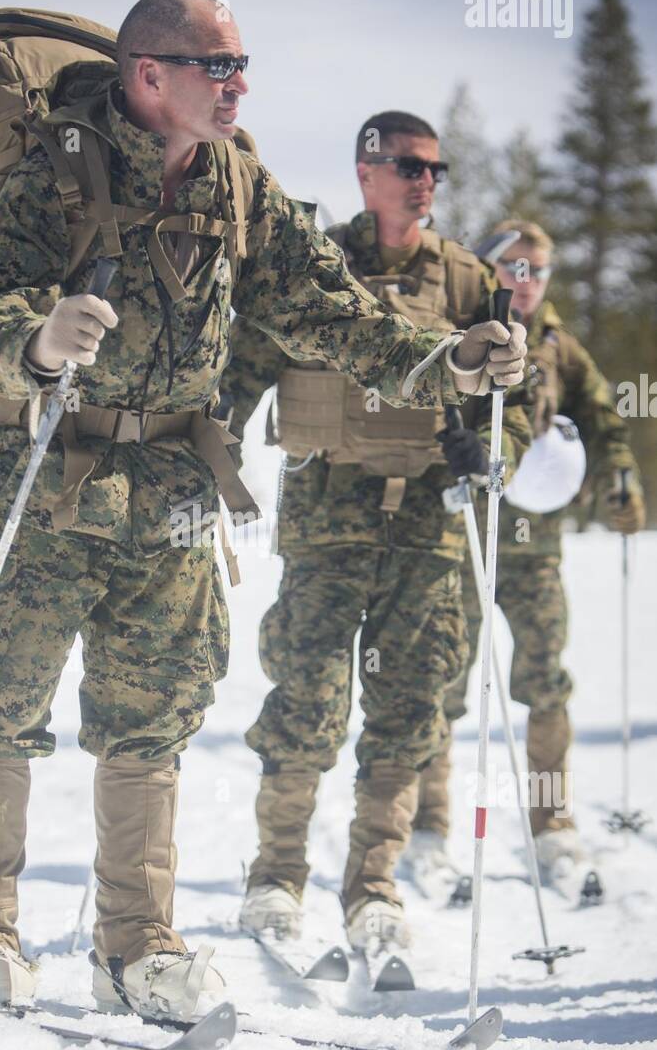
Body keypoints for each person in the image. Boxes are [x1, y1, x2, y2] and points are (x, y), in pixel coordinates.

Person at [0, 0, 526, 1021]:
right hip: (40, 476)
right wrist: (36, 340)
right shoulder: (58, 168)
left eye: (240, 64)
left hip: (167, 492)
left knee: (150, 719)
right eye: (217, 66)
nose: (237, 84)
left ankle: (136, 944)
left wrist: (445, 360)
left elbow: (327, 310)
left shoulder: (238, 181)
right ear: (147, 75)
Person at [222, 111, 532, 956]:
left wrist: (494, 445)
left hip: (429, 534)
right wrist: (206, 451)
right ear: (367, 171)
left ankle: (374, 887)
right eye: (408, 165)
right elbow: (243, 368)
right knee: (307, 703)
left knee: (408, 710)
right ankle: (278, 876)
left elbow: (518, 396)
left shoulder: (468, 279)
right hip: (328, 523)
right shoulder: (317, 270)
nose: (426, 180)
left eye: (437, 168)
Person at [414, 218, 644, 896]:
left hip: (534, 545)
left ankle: (553, 827)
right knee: (445, 680)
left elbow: (604, 419)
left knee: (545, 679)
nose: (527, 281)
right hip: (460, 536)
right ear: (487, 269)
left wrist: (619, 475)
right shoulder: (452, 327)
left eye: (538, 271)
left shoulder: (557, 349)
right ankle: (428, 830)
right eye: (514, 267)